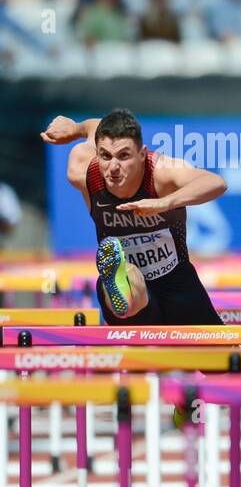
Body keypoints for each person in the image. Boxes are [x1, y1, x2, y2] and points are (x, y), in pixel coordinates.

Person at [40, 109, 227, 325]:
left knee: (221, 352)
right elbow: (99, 126)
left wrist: (163, 203)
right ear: (97, 153)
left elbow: (215, 183)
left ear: (141, 154)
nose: (113, 167)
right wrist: (76, 128)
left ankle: (124, 287)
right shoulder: (82, 171)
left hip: (176, 280)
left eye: (124, 156)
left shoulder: (162, 171)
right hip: (130, 288)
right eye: (105, 156)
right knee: (131, 285)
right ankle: (119, 281)